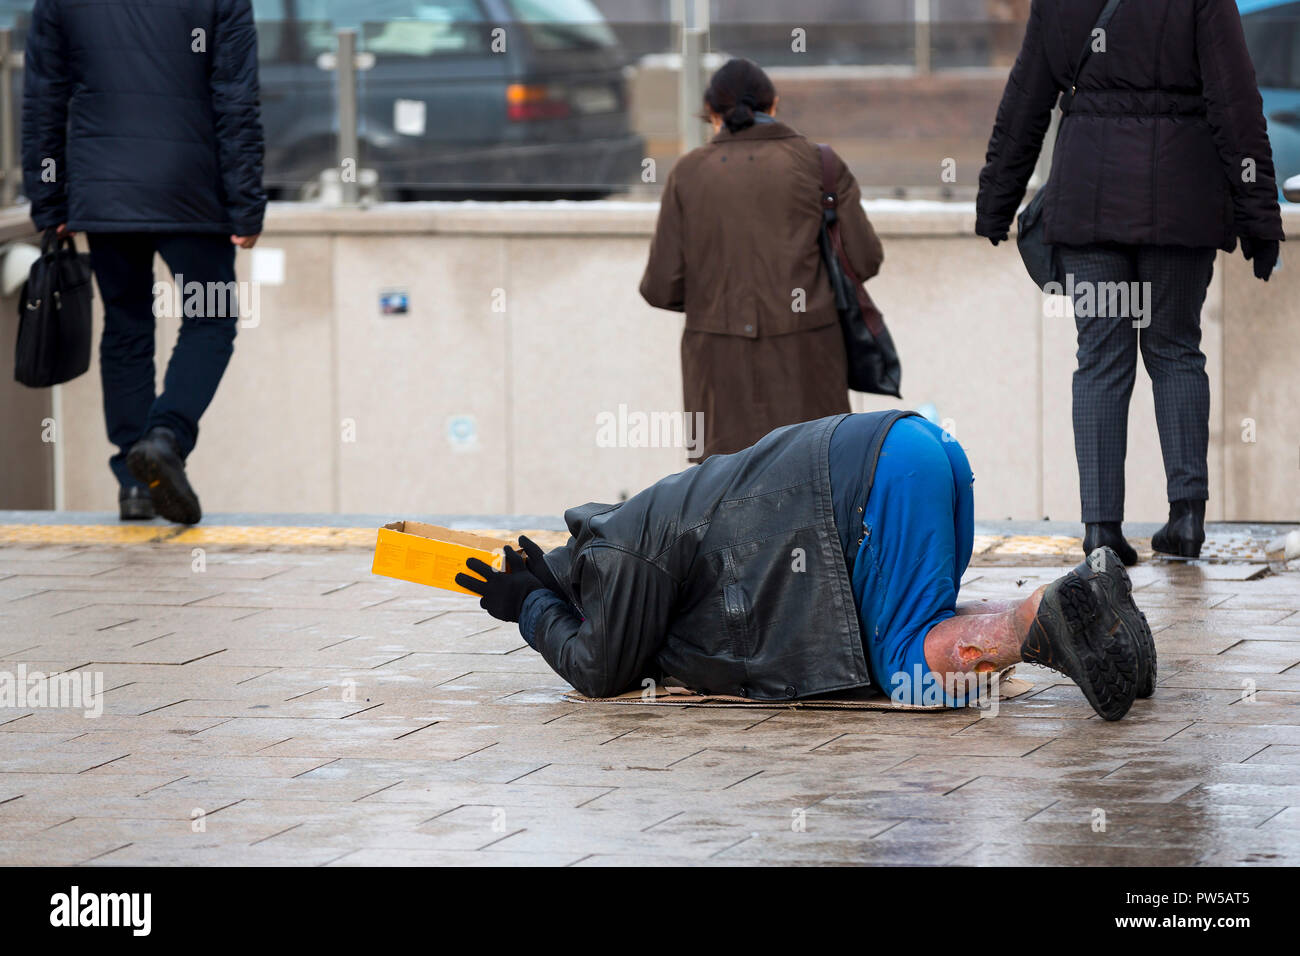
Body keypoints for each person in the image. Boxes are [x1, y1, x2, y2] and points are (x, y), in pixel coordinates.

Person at [457, 412, 1154, 721]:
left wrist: (529, 608)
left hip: (877, 477)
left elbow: (601, 670)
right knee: (918, 622)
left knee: (911, 675)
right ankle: (1089, 609)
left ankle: (1046, 615)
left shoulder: (617, 554)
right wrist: (542, 594)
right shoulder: (635, 528)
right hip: (915, 448)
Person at [976, 0, 1283, 564]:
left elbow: (1025, 103)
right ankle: (1186, 518)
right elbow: (1235, 103)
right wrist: (1261, 219)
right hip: (1181, 207)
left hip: (1090, 208)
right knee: (1175, 350)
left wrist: (996, 201)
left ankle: (1101, 529)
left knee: (1100, 357)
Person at [23, 0, 266, 524]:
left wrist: (49, 199)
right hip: (192, 194)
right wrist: (245, 203)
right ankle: (166, 438)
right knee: (211, 320)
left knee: (127, 328)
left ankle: (134, 485)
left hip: (106, 195)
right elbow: (237, 99)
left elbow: (43, 97)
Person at [640, 58, 883, 462]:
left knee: (723, 498)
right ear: (773, 105)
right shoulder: (819, 164)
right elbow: (865, 259)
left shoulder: (687, 173)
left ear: (713, 115)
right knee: (816, 485)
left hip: (717, 372)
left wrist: (716, 298)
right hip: (810, 362)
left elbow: (660, 286)